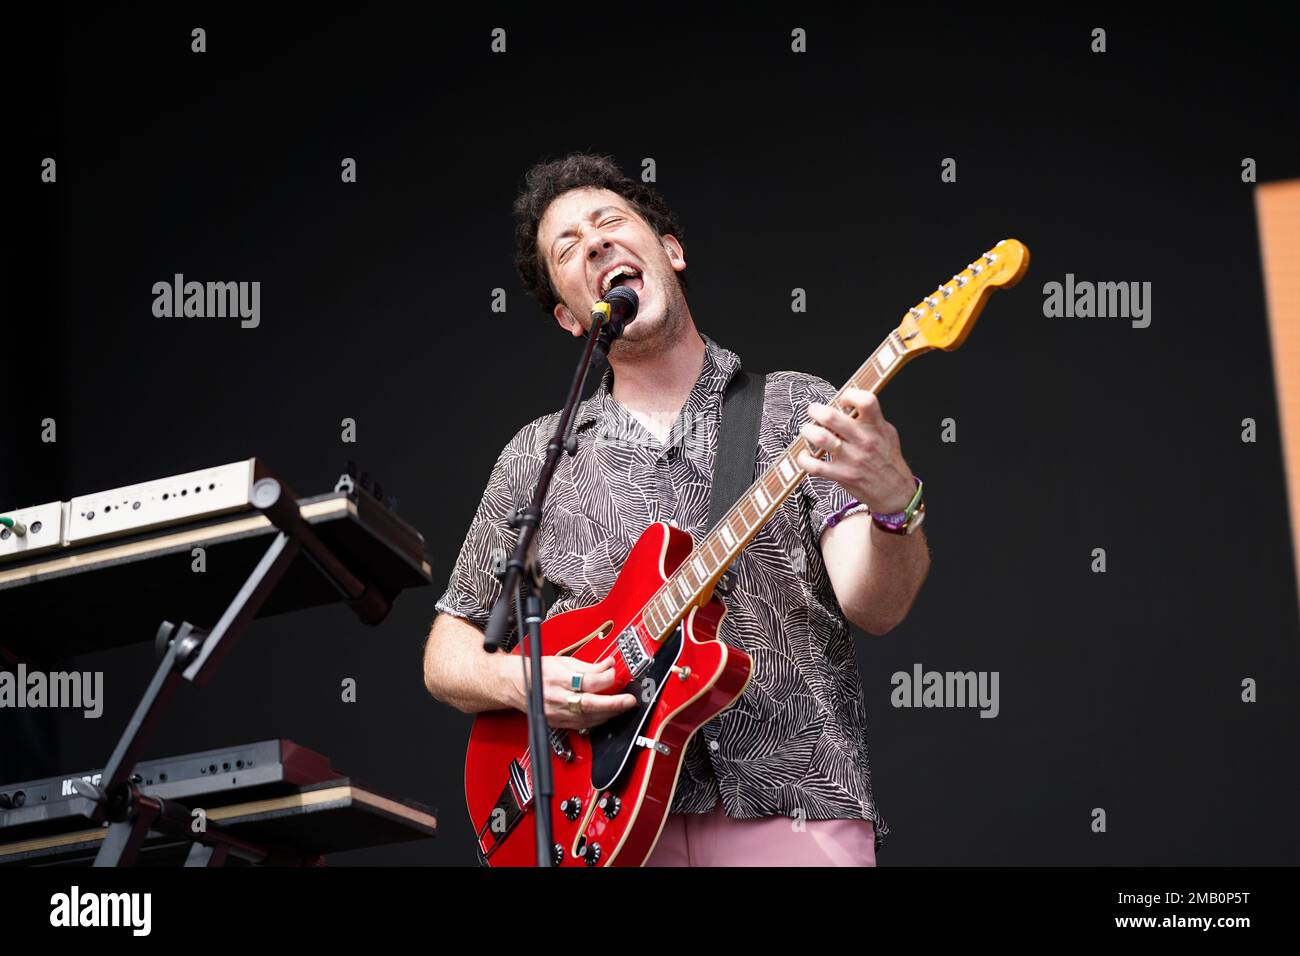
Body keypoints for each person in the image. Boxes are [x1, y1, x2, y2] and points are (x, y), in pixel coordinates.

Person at [423, 153, 930, 866]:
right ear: (571, 318)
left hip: (792, 813)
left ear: (671, 251)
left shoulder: (797, 411)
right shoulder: (538, 455)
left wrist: (892, 506)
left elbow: (874, 605)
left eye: (610, 223)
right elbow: (448, 651)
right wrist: (528, 684)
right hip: (604, 829)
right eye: (567, 247)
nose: (595, 243)